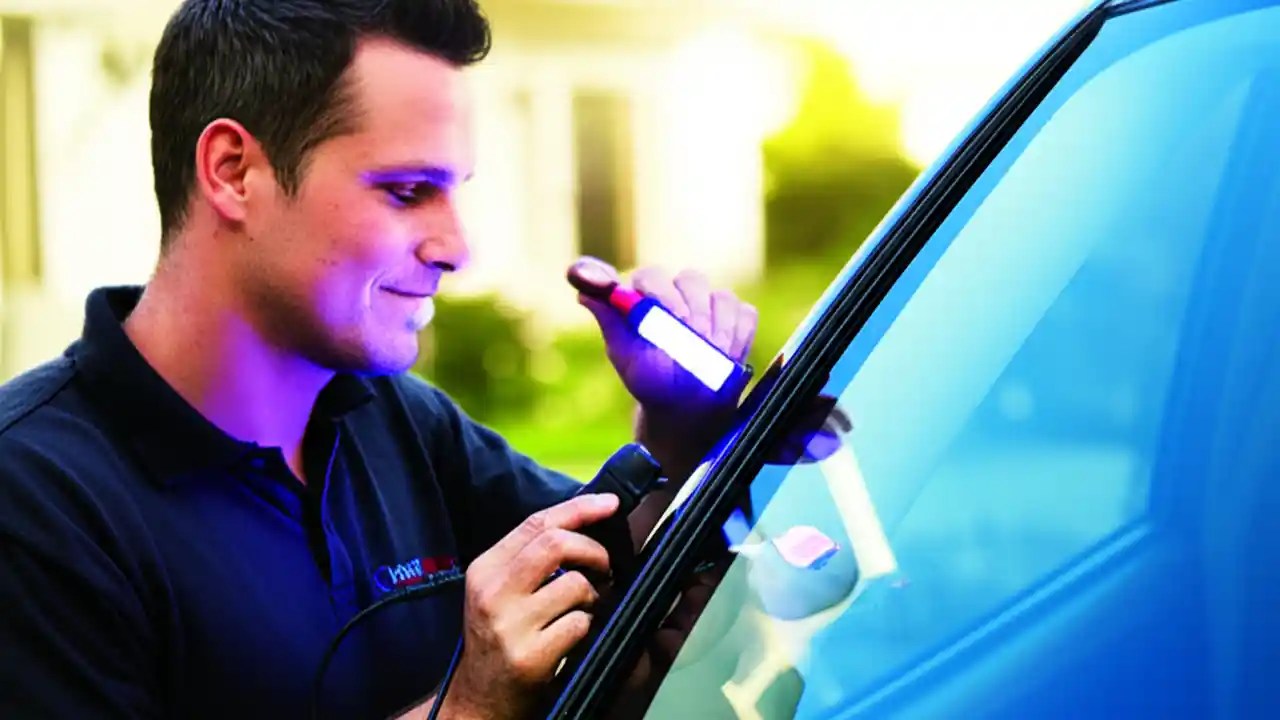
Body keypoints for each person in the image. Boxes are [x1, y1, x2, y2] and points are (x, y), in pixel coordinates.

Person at [0, 1, 758, 718]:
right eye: (406, 191)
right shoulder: (34, 498)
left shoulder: (395, 419)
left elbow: (613, 575)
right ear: (233, 171)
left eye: (455, 191)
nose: (457, 248)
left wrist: (675, 426)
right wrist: (468, 708)